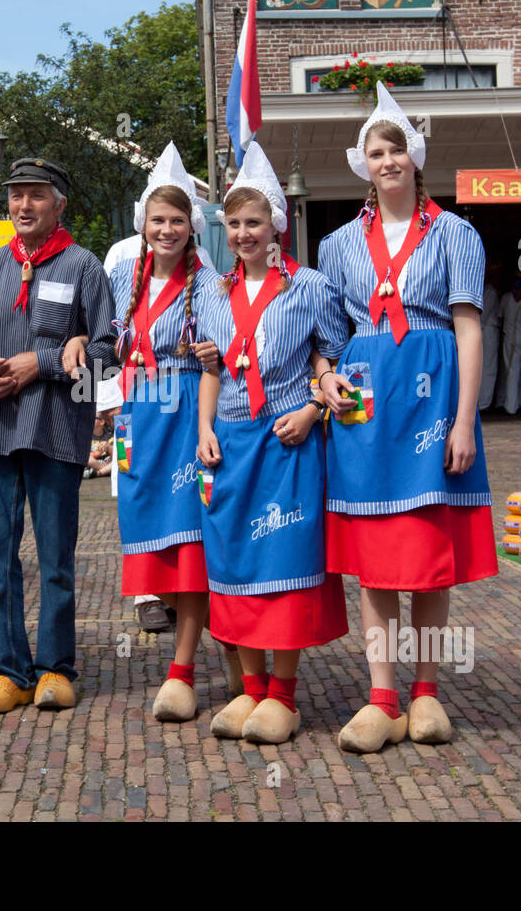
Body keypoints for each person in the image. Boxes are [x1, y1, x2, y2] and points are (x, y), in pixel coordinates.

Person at [318, 83, 497, 753]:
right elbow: (326, 336)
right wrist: (324, 374)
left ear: (415, 157)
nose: (387, 160)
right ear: (363, 164)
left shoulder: (456, 233)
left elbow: (470, 329)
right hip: (364, 404)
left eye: (396, 148)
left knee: (425, 554)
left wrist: (462, 421)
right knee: (373, 557)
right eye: (376, 151)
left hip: (430, 396)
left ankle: (426, 692)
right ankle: (380, 695)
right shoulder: (337, 244)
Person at [195, 141, 349, 744]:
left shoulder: (309, 286)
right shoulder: (212, 292)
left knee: (285, 562)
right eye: (232, 223)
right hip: (231, 437)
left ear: (276, 225)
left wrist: (313, 411)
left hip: (287, 437)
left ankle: (283, 694)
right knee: (233, 561)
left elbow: (334, 358)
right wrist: (204, 429)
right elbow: (212, 368)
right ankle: (250, 689)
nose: (241, 233)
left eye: (253, 222)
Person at [0, 155, 116, 714]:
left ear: (59, 205)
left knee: (56, 558)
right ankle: (7, 670)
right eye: (16, 195)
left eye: (36, 196)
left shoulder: (85, 267)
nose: (23, 205)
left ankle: (55, 667)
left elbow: (106, 361)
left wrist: (40, 363)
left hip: (56, 431)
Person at [105, 141, 233, 722]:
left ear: (193, 226)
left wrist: (212, 350)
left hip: (184, 414)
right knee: (154, 541)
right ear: (144, 224)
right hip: (140, 418)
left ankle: (182, 669)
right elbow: (112, 346)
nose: (168, 229)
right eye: (158, 219)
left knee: (190, 544)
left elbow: (227, 349)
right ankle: (227, 649)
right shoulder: (123, 280)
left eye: (178, 220)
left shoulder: (207, 283)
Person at [500, 273, 521, 415]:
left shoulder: (506, 298)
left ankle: (511, 406)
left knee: (511, 374)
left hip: (510, 340)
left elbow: (500, 317)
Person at [478, 264, 501, 412]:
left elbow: (484, 315)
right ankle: (481, 401)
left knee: (488, 368)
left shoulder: (490, 292)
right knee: (483, 367)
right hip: (481, 330)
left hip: (487, 331)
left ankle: (485, 403)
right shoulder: (485, 291)